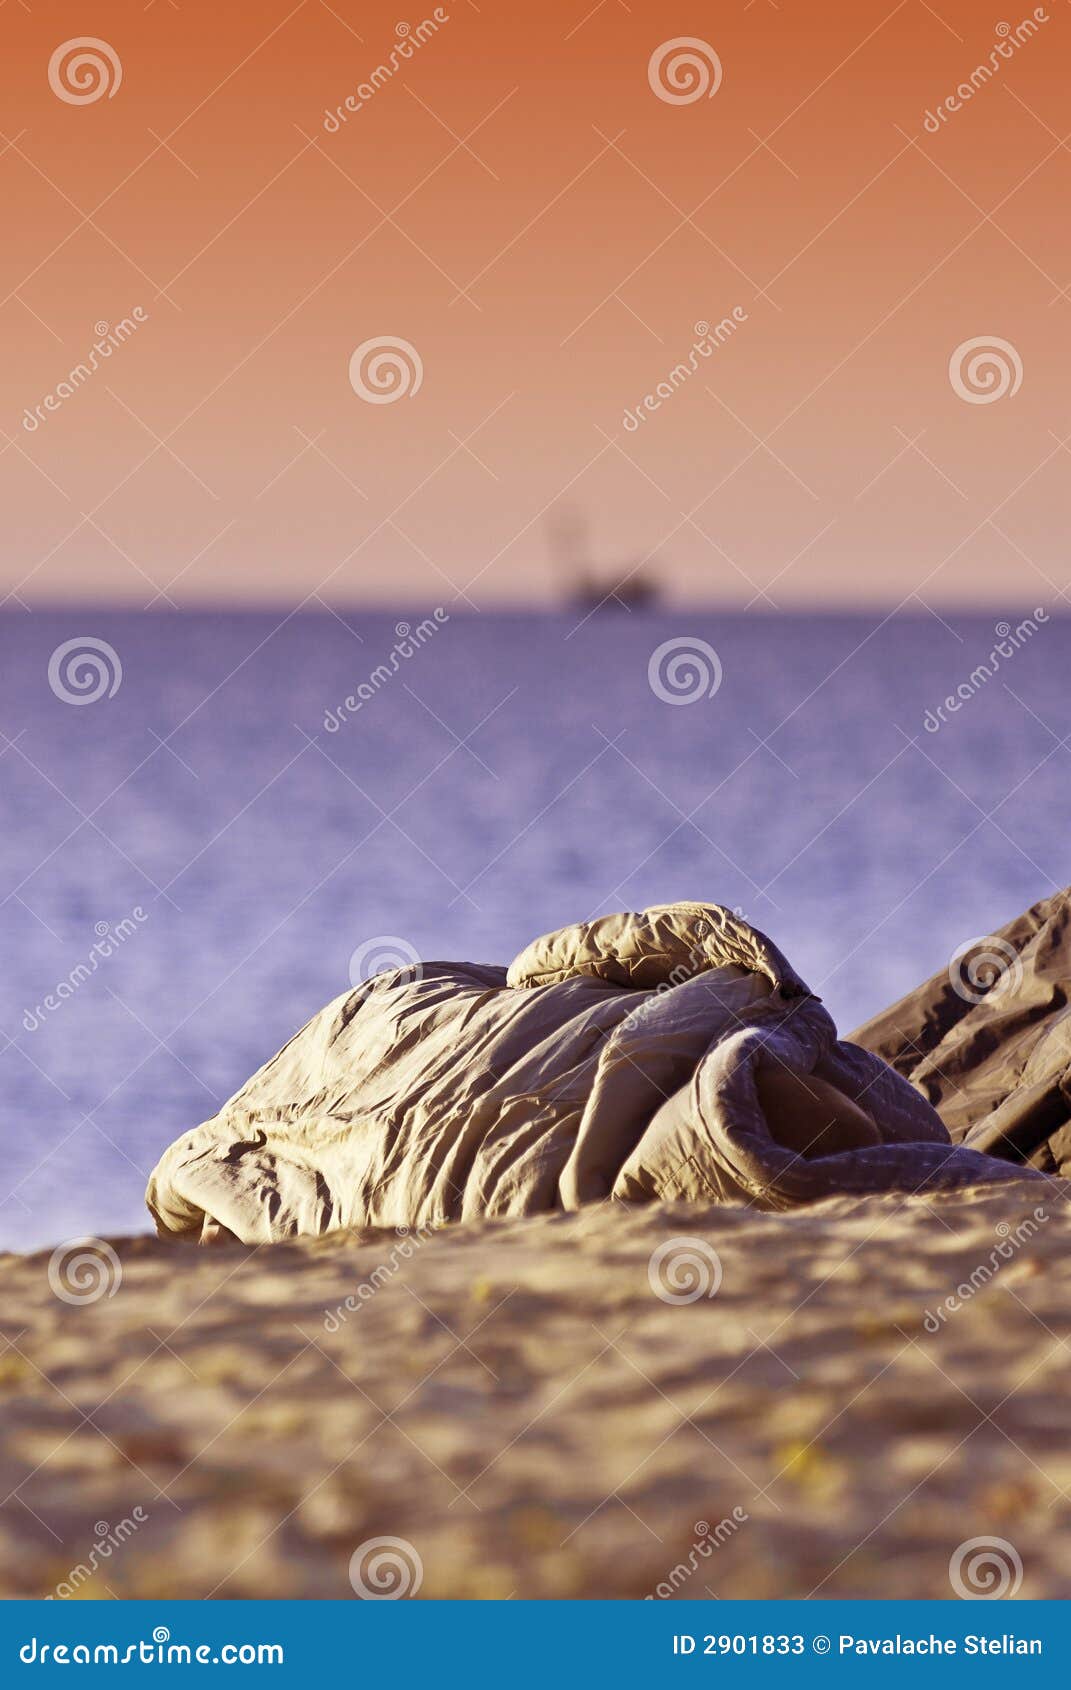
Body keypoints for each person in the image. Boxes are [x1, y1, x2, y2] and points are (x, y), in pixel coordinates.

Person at [146, 901, 1044, 1246]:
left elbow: (567, 961)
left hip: (437, 1029)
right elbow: (571, 958)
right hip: (427, 1039)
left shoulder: (398, 1008)